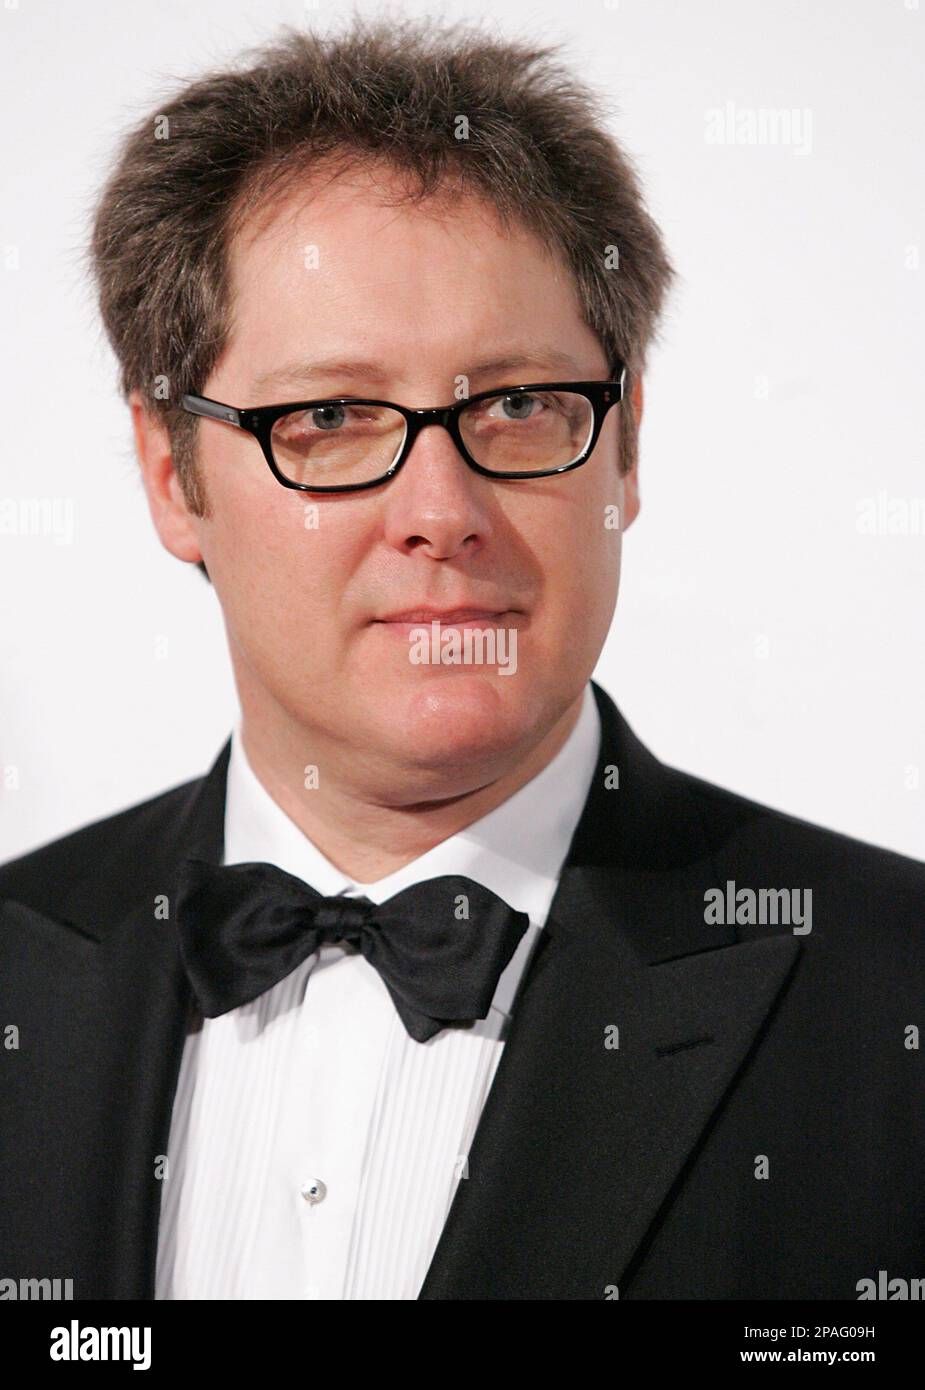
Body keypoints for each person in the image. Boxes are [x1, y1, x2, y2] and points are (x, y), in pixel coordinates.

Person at [1, 18, 923, 1302]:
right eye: (328, 416)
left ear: (627, 449)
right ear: (173, 474)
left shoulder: (893, 994)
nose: (442, 507)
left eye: (517, 405)